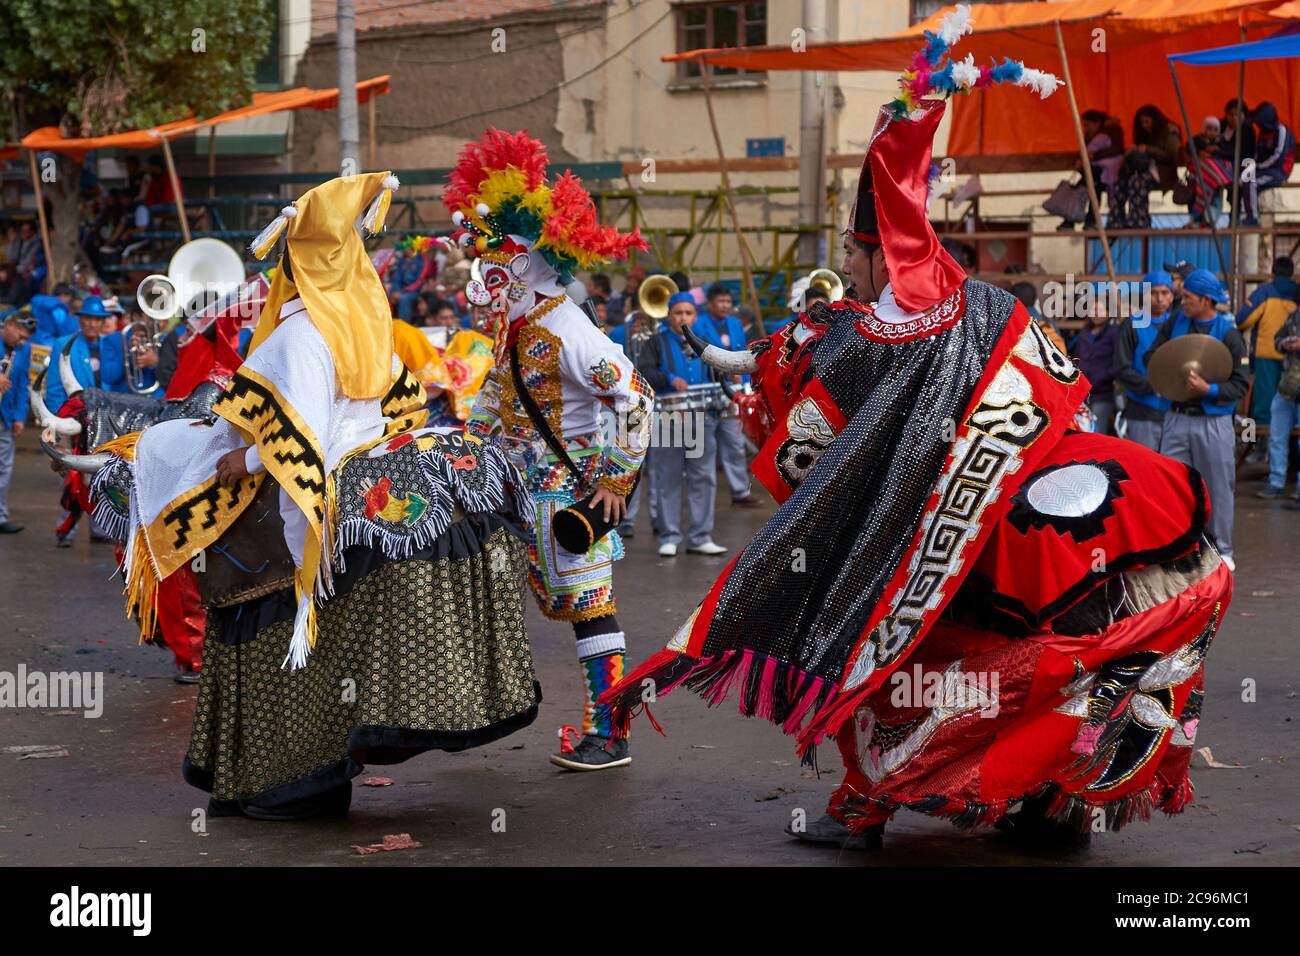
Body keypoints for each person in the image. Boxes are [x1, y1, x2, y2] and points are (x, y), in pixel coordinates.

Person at [602, 24, 1229, 855]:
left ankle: (866, 804)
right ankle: (1056, 805)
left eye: (857, 254)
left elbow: (809, 440)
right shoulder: (985, 305)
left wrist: (773, 383)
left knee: (876, 623)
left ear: (875, 254)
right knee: (1048, 657)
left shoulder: (869, 331)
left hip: (961, 508)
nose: (851, 270)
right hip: (1065, 466)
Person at [452, 130, 654, 772]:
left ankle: (611, 733)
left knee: (593, 610)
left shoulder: (568, 329)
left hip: (568, 499)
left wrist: (613, 483)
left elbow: (639, 399)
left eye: (490, 261)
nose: (479, 275)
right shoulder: (519, 326)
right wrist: (460, 445)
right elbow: (496, 396)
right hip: (517, 495)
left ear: (520, 265)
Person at [1145, 269, 1249, 570]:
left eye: (1188, 297)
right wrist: (1163, 371)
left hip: (1213, 423)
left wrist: (1209, 389)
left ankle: (1223, 549)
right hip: (1176, 417)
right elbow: (1152, 356)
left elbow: (1240, 385)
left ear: (1206, 300)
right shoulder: (1175, 323)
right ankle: (1173, 544)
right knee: (1170, 483)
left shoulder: (1230, 335)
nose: (1182, 301)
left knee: (1218, 487)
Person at [636, 291, 725, 558]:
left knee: (704, 477)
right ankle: (670, 535)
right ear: (669, 315)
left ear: (695, 316)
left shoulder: (706, 343)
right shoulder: (655, 342)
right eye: (678, 313)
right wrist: (669, 378)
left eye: (688, 313)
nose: (683, 317)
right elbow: (644, 371)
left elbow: (719, 371)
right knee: (668, 477)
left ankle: (700, 536)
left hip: (702, 419)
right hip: (669, 419)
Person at [698, 282, 760, 508]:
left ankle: (740, 491)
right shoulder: (698, 323)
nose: (725, 306)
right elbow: (696, 358)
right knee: (707, 449)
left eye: (727, 302)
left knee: (734, 442)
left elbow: (742, 353)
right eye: (720, 302)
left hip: (733, 391)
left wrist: (743, 381)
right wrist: (723, 371)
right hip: (707, 391)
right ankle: (705, 495)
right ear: (710, 304)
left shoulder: (735, 323)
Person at [1112, 270, 1175, 451]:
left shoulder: (1178, 325)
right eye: (1153, 293)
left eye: (1164, 293)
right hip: (1142, 409)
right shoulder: (1131, 325)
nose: (1159, 298)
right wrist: (1151, 387)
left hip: (1175, 410)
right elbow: (1121, 367)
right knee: (1146, 467)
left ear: (1172, 296)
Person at [1237, 256, 1298, 429]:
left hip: (1267, 354)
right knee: (1292, 403)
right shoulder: (1297, 293)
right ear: (1292, 273)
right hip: (1295, 358)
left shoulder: (1265, 291)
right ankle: (1291, 447)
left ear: (1273, 271)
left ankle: (1261, 448)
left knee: (1264, 403)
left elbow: (1243, 319)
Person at [1111, 104, 1180, 229]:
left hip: (1162, 173)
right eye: (1142, 123)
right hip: (1143, 170)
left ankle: (1140, 221)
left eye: (1147, 122)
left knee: (1137, 183)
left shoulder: (1170, 130)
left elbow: (1171, 155)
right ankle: (1117, 220)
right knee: (1120, 183)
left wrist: (1148, 149)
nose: (1145, 126)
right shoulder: (1145, 134)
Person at [0, 308, 36, 534]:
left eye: (26, 339)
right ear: (9, 325)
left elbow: (23, 384)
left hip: (6, 416)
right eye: (20, 336)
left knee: (4, 469)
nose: (22, 342)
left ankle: (0, 516)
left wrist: (20, 417)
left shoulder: (24, 349)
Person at [1263, 307, 1300, 506]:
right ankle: (1275, 482)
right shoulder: (1293, 317)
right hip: (1286, 388)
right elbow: (1277, 340)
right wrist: (1284, 344)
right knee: (1277, 438)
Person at [1069, 285, 1118, 434]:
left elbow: (1117, 363)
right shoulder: (1084, 333)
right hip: (1082, 393)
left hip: (1102, 393)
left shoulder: (1114, 333)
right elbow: (1077, 358)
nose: (1096, 313)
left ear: (1109, 312)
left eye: (1100, 310)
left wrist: (1102, 378)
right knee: (1082, 430)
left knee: (1098, 432)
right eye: (1093, 310)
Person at [1241, 102, 1293, 225]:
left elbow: (1279, 155)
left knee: (1251, 183)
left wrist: (1258, 167)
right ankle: (1243, 215)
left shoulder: (1281, 131)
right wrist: (1252, 166)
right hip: (1264, 170)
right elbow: (1257, 154)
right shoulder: (1263, 134)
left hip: (1280, 171)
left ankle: (1252, 219)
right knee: (1243, 180)